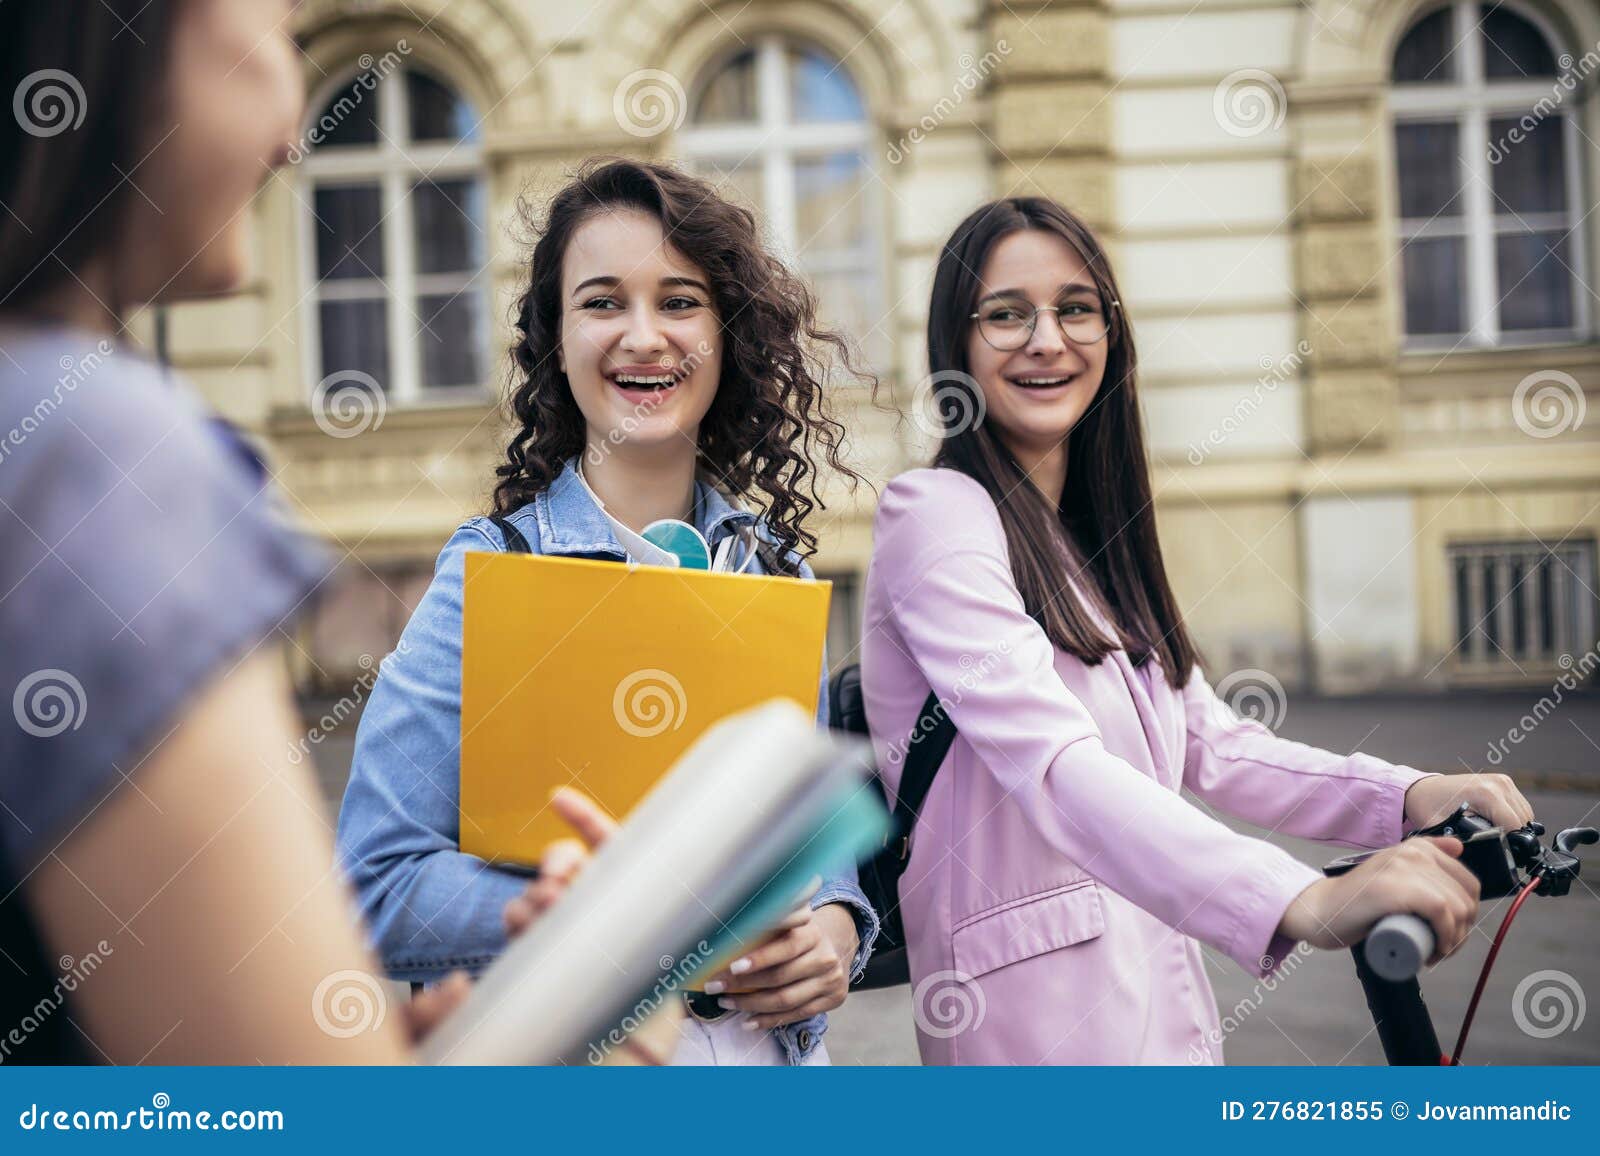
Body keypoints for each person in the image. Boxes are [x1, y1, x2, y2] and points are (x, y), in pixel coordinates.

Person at [860, 196, 1534, 1065]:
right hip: (1031, 1027)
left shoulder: (1090, 543)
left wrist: (1407, 797)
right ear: (956, 344)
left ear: (1111, 332)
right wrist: (1304, 899)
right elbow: (1053, 763)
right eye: (1004, 315)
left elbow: (1214, 745)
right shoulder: (937, 514)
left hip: (1156, 1007)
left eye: (1075, 308)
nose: (1046, 339)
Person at [336, 159, 880, 1066]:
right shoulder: (489, 572)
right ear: (555, 339)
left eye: (678, 301)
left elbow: (807, 839)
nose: (643, 336)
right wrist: (600, 911)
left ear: (725, 332)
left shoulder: (769, 567)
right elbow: (375, 883)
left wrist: (834, 928)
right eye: (600, 303)